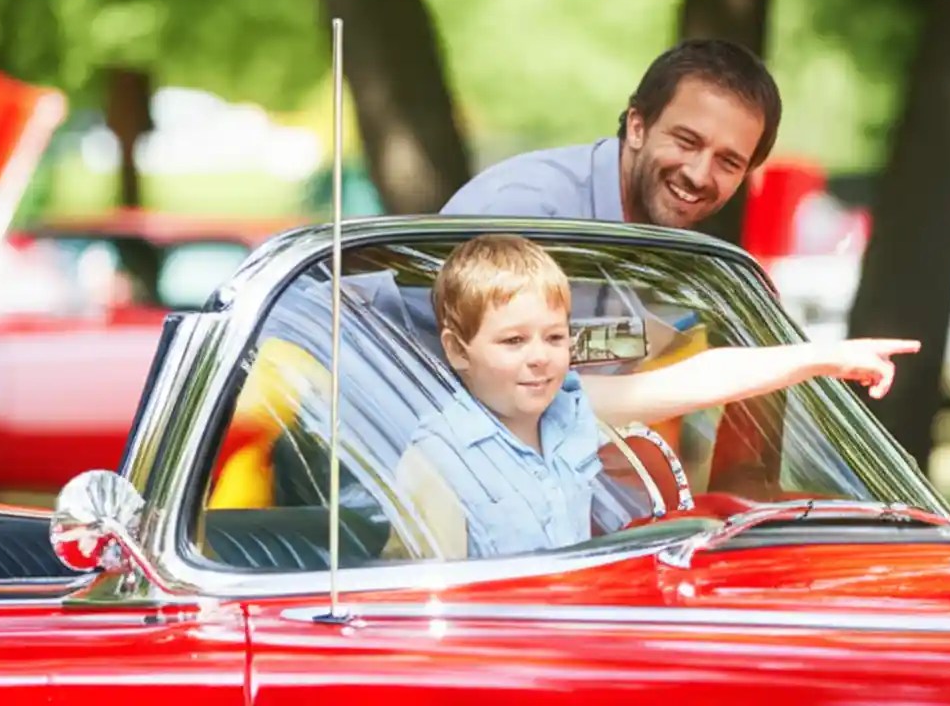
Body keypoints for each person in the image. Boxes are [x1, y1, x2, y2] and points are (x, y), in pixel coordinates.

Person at [388, 235, 918, 560]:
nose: (540, 357)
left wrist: (826, 358)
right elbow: (427, 606)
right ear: (459, 351)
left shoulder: (568, 407)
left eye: (554, 337)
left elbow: (695, 379)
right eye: (512, 341)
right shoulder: (438, 455)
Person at [441, 38, 780, 229]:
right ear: (637, 127)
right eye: (687, 142)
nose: (699, 174)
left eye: (728, 162)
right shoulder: (528, 212)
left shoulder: (685, 253)